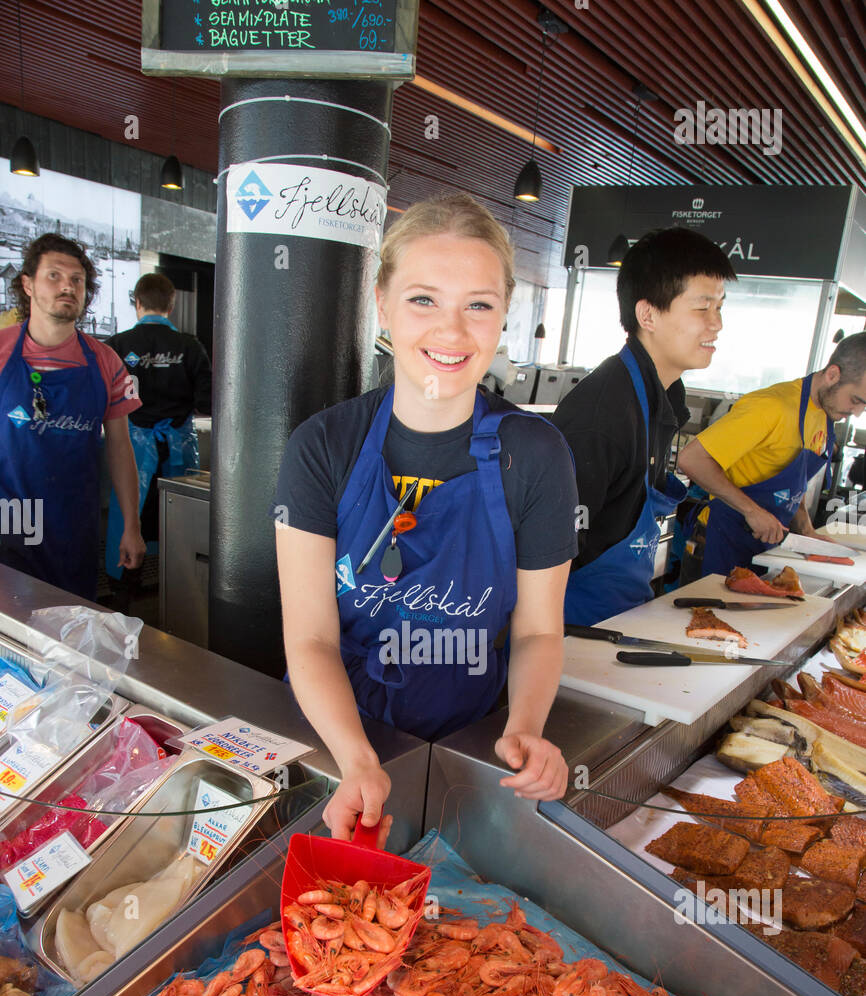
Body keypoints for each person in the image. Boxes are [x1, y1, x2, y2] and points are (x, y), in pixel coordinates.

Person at [275, 193, 579, 842]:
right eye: (423, 300)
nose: (452, 331)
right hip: (336, 731)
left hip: (469, 737)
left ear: (503, 317)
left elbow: (536, 632)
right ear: (381, 302)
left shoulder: (536, 453)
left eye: (478, 304)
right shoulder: (324, 446)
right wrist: (356, 760)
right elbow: (310, 640)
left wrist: (524, 727)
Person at [552, 228, 736, 625]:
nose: (716, 324)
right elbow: (550, 549)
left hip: (622, 614)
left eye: (721, 307)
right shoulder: (602, 415)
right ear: (647, 314)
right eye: (702, 308)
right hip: (571, 631)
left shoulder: (661, 397)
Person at [0, 234, 145, 599]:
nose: (68, 286)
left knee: (68, 629)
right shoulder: (2, 350)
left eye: (77, 279)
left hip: (72, 521)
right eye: (54, 275)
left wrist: (131, 524)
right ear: (28, 284)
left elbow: (120, 446)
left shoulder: (106, 361)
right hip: (7, 519)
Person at [678, 332, 866, 579]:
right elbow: (691, 459)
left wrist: (807, 530)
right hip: (720, 539)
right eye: (855, 400)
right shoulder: (771, 407)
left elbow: (793, 483)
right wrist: (753, 512)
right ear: (832, 375)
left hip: (765, 546)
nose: (858, 412)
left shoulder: (823, 414)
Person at [105, 273, 212, 589]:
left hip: (133, 454)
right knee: (179, 528)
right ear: (172, 303)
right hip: (177, 456)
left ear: (137, 303)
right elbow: (207, 401)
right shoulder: (190, 346)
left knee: (128, 523)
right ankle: (178, 604)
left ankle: (123, 596)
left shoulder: (116, 346)